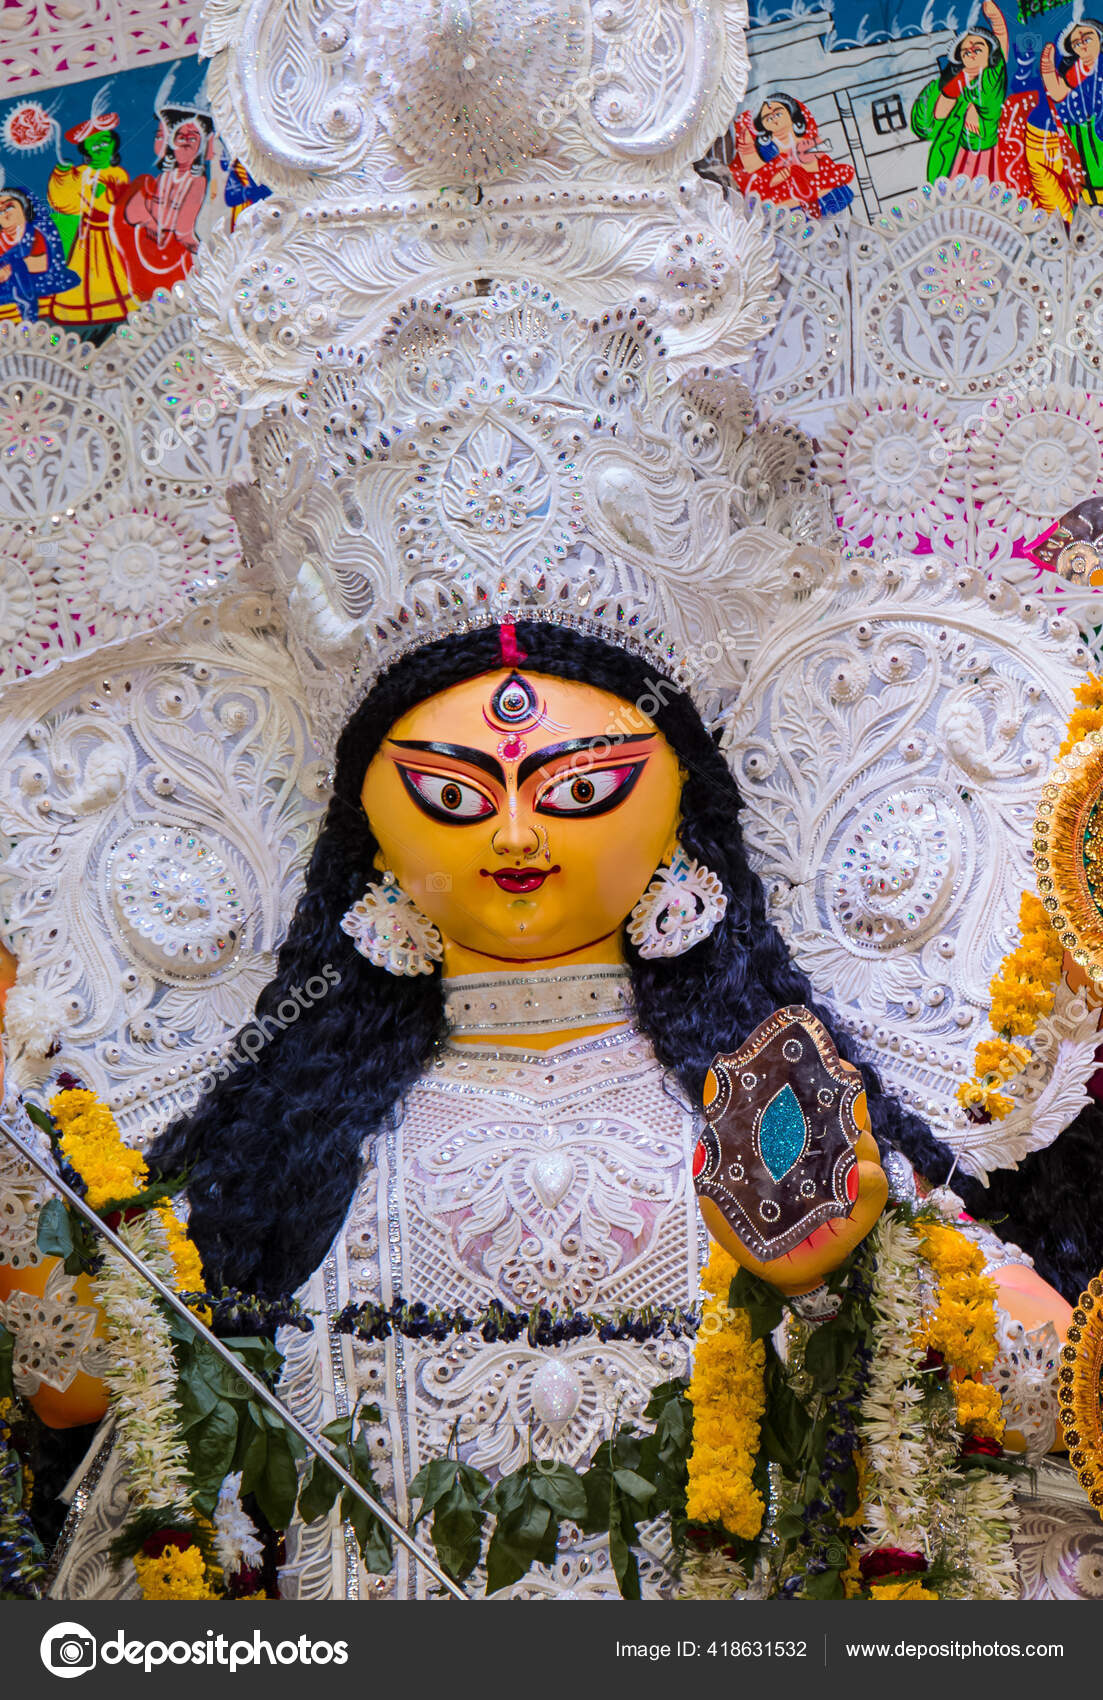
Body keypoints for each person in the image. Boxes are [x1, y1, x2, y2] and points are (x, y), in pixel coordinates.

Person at [1, 614, 1087, 1601]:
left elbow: (1041, 1387)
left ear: (677, 812)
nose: (516, 837)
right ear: (368, 830)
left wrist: (840, 1284)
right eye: (454, 797)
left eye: (577, 791)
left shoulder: (773, 1101)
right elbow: (84, 1386)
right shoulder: (294, 1141)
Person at [44, 112, 136, 329]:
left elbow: (122, 205)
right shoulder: (80, 172)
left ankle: (119, 308)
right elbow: (64, 202)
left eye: (104, 142)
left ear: (113, 145)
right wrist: (62, 175)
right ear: (85, 149)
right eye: (93, 144)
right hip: (88, 234)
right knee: (84, 272)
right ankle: (80, 313)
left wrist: (105, 195)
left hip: (111, 233)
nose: (100, 148)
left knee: (116, 272)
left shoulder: (117, 173)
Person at [116, 100, 215, 298]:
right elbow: (136, 207)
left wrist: (202, 250)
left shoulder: (197, 180)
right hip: (150, 244)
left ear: (201, 146)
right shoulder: (164, 177)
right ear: (171, 142)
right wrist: (149, 221)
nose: (186, 141)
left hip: (177, 250)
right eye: (180, 136)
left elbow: (185, 229)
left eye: (193, 137)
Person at [911, 4, 1009, 181]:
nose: (971, 53)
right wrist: (964, 107)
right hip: (957, 156)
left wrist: (996, 19)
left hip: (986, 155)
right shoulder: (956, 85)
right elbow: (934, 120)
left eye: (977, 49)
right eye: (965, 52)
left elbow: (1000, 43)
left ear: (990, 55)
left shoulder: (992, 78)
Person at [729, 94, 855, 216]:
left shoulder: (806, 140)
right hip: (784, 200)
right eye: (768, 118)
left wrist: (795, 167)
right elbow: (756, 170)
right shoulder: (767, 148)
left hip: (817, 187)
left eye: (778, 114)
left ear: (791, 114)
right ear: (763, 125)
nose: (774, 119)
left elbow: (816, 161)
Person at [1042, 18, 1103, 205]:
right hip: (1083, 144)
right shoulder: (1076, 73)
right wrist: (1048, 72)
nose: (1082, 46)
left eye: (1087, 39)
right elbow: (1059, 94)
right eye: (1076, 43)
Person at [0, 187, 78, 323]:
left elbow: (41, 264)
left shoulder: (34, 234)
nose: (5, 216)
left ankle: (28, 314)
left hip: (35, 281)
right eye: (0, 212)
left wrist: (11, 269)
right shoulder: (2, 238)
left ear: (24, 208)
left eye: (9, 207)